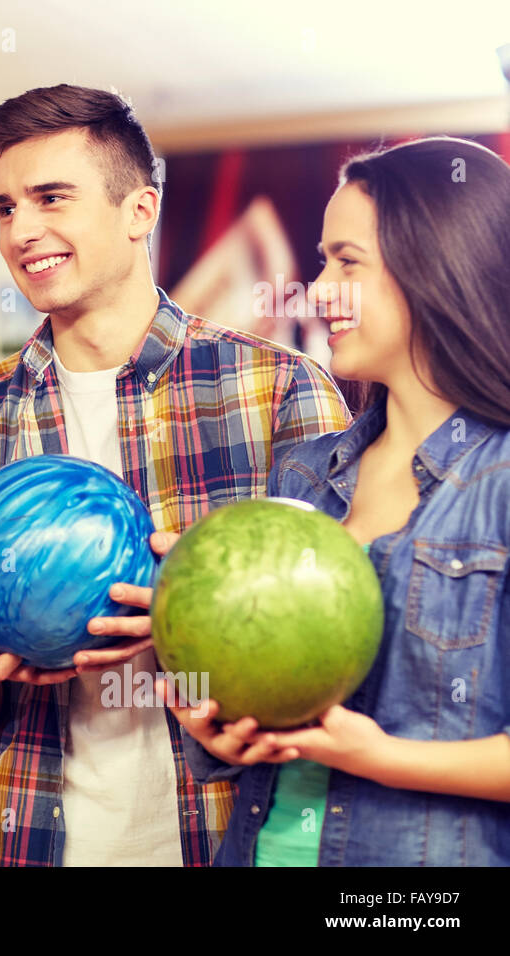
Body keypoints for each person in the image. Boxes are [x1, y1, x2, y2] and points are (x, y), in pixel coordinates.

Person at [0, 83, 352, 866]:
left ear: (139, 210)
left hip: (231, 839)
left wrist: (195, 619)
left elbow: (341, 656)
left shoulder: (281, 391)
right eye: (5, 208)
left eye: (51, 198)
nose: (23, 231)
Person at [167, 137, 510, 866]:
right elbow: (265, 705)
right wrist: (220, 726)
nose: (319, 290)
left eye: (346, 261)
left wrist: (381, 757)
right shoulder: (303, 474)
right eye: (323, 261)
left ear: (438, 263)